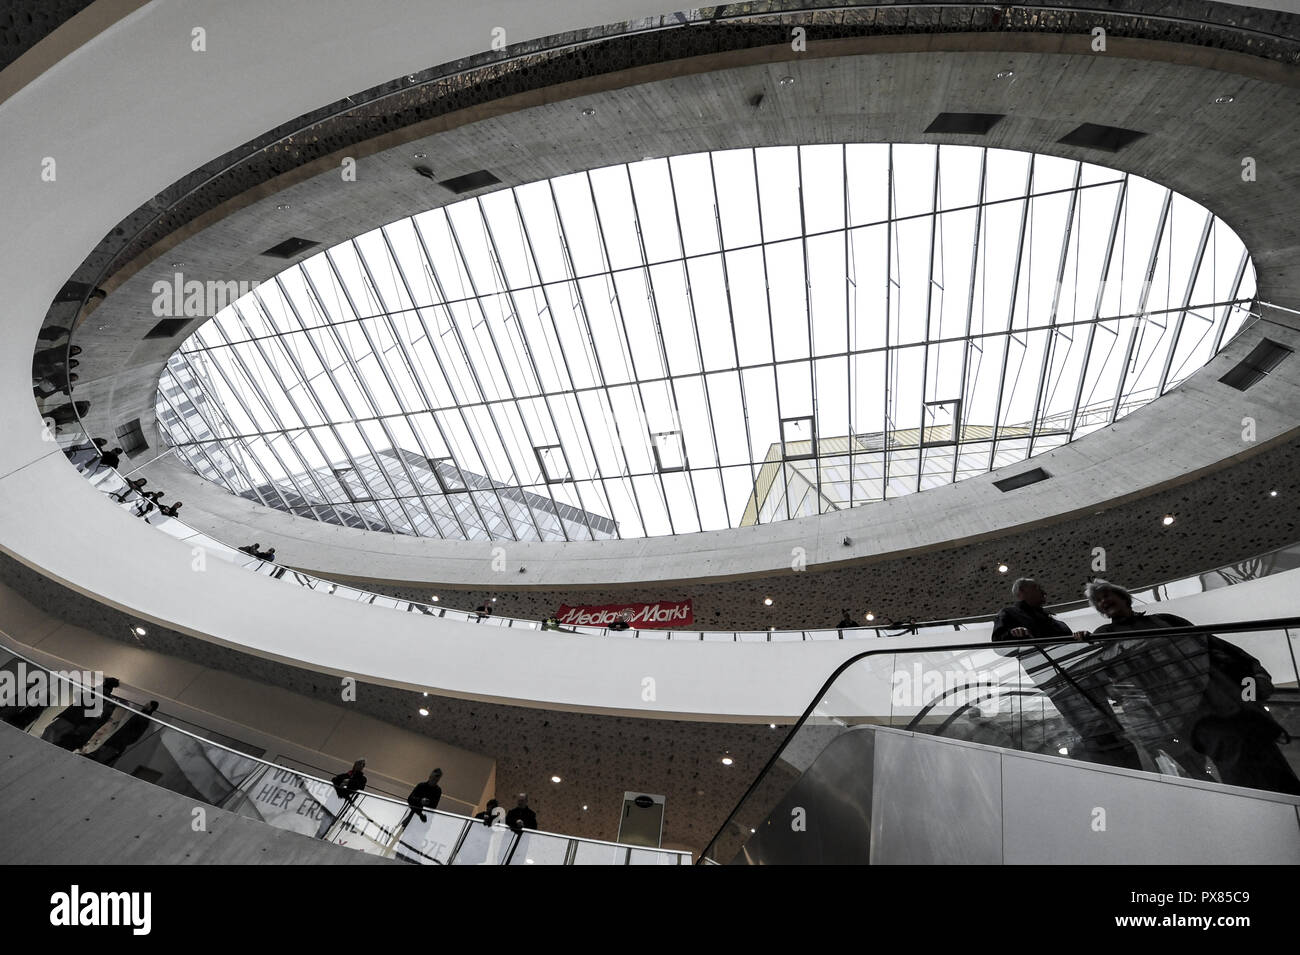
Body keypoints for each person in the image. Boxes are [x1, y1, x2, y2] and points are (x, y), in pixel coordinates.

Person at [1086, 580, 1300, 795]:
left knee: (1260, 746)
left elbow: (1211, 644)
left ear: (1124, 597)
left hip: (1221, 695)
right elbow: (1098, 667)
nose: (1103, 601)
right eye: (1098, 600)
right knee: (1231, 750)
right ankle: (1266, 805)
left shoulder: (1165, 620)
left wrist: (1256, 674)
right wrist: (1083, 640)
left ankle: (1284, 801)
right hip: (1186, 709)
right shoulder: (1106, 634)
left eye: (1106, 594)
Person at [992, 578, 1140, 770]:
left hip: (1080, 675)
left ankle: (1125, 764)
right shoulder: (1010, 613)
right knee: (1090, 726)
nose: (1043, 591)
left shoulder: (1056, 622)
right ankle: (1117, 768)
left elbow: (1072, 646)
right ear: (1021, 592)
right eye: (1037, 587)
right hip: (1054, 681)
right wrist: (1013, 634)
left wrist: (1080, 638)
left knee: (1108, 722)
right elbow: (999, 644)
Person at [41, 677, 121, 751]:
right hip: (75, 719)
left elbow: (82, 705)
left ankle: (45, 747)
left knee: (51, 730)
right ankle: (45, 747)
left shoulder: (100, 692)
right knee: (54, 733)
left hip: (72, 717)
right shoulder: (103, 694)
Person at [84, 700, 159, 765]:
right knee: (98, 758)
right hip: (114, 742)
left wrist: (120, 741)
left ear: (150, 707)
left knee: (99, 759)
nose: (145, 704)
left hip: (115, 744)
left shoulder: (143, 718)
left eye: (147, 704)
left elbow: (134, 736)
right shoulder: (141, 717)